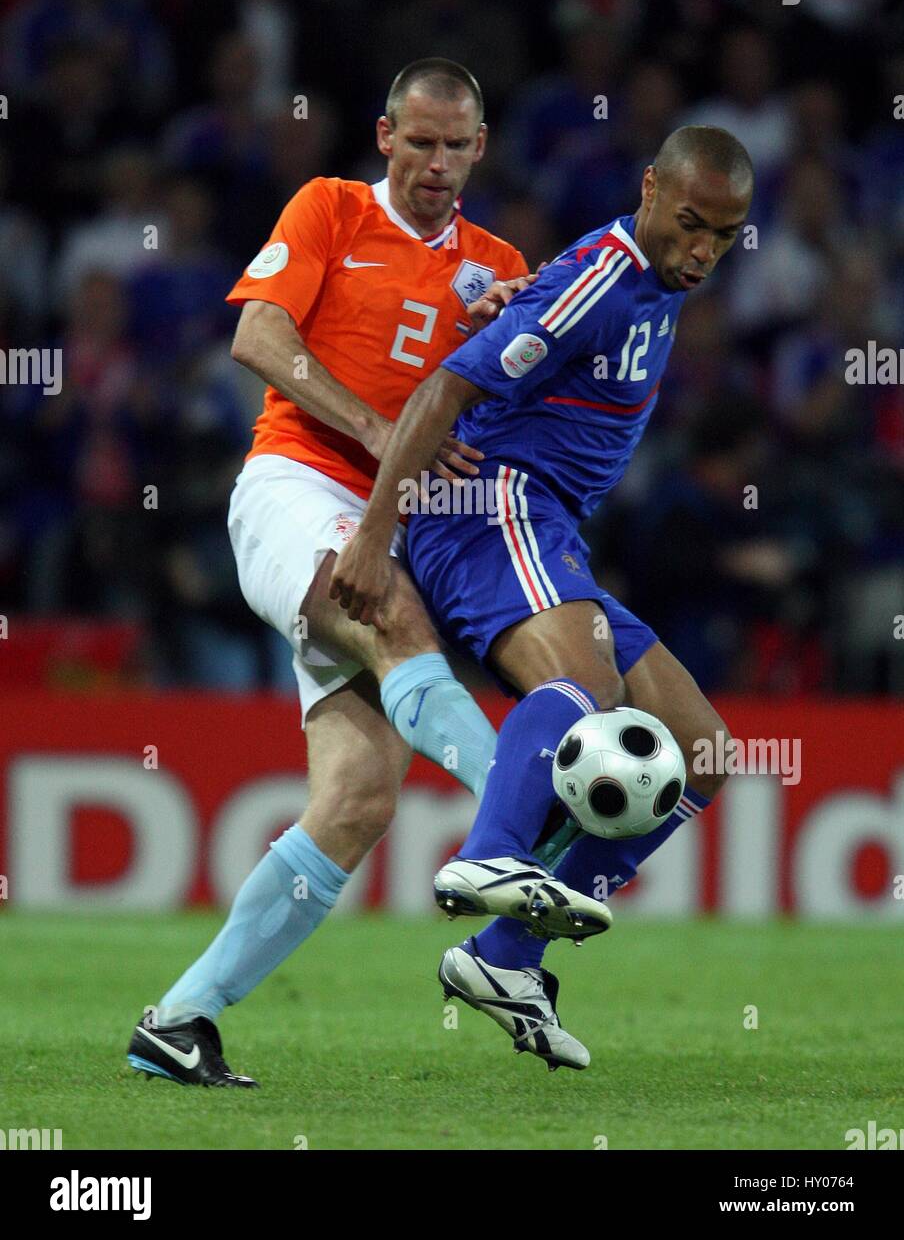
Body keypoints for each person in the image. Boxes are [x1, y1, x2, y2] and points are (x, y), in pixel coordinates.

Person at [127, 58, 546, 1087]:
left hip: (396, 521)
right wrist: (379, 429)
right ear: (385, 136)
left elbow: (511, 417)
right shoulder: (330, 209)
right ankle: (518, 812)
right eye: (420, 141)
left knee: (358, 798)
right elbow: (257, 334)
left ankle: (178, 1020)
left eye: (457, 146)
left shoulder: (500, 267)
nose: (437, 162)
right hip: (291, 492)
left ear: (479, 149)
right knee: (394, 614)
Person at [330, 126, 755, 1071]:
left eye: (723, 238)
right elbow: (445, 386)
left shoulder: (655, 281)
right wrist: (372, 529)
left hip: (549, 530)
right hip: (493, 506)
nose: (701, 253)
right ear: (649, 191)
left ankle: (508, 957)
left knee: (704, 752)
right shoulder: (603, 279)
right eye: (689, 226)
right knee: (586, 694)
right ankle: (492, 854)